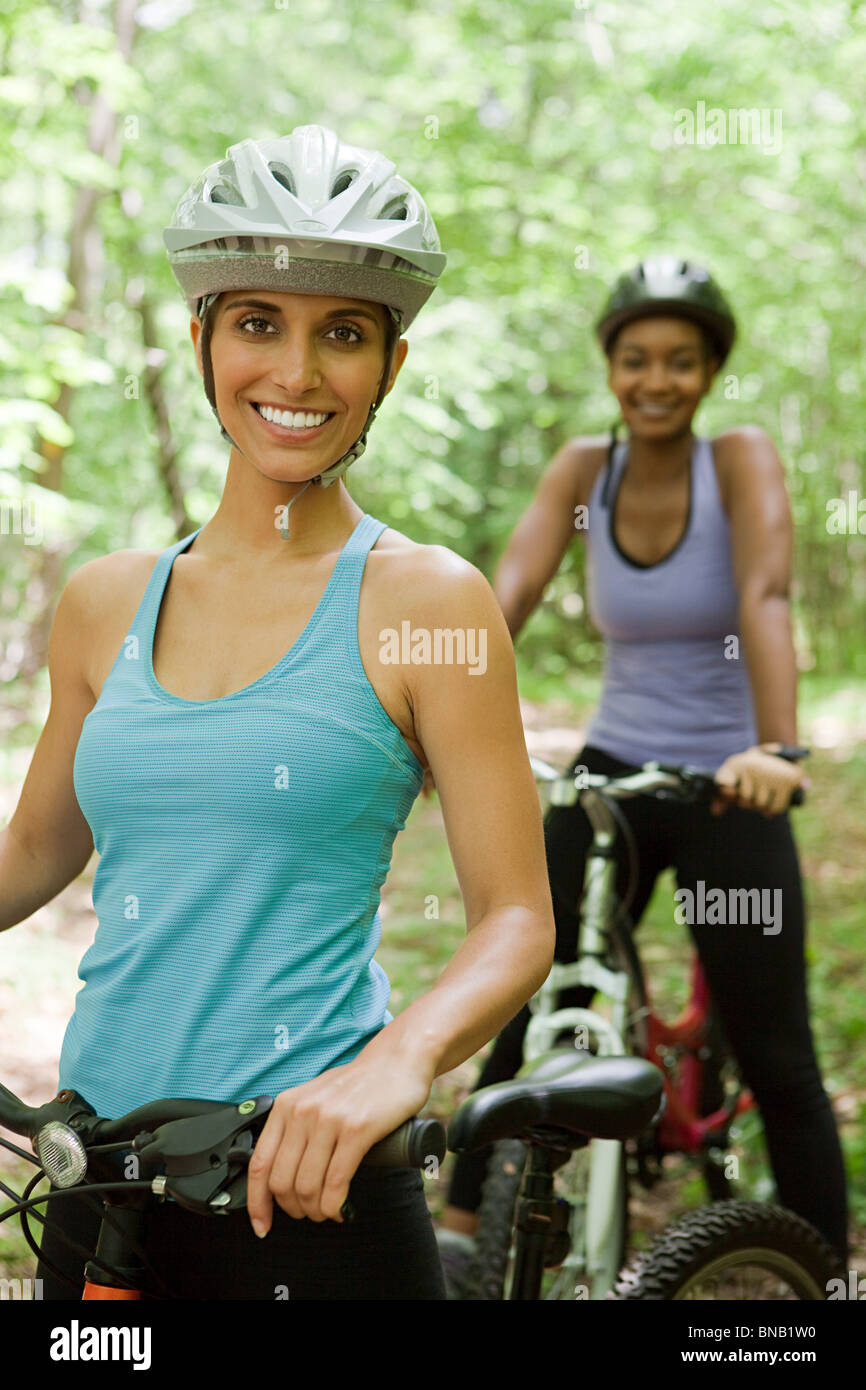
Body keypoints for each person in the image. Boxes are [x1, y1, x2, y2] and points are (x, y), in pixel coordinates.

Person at [1, 125, 556, 1300]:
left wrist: (394, 1065)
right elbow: (39, 847)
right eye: (258, 323)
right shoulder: (105, 601)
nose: (297, 374)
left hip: (309, 1181)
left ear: (389, 366)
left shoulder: (426, 601)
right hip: (95, 1177)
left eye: (341, 333)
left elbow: (514, 919)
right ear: (200, 339)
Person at [437, 256, 849, 1281]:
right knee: (519, 979)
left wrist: (776, 746)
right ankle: (452, 1230)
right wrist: (431, 698)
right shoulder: (584, 470)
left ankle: (824, 1265)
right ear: (609, 367)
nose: (654, 380)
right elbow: (509, 591)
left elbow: (763, 597)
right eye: (634, 360)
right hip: (611, 769)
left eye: (679, 361)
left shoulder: (738, 460)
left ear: (708, 373)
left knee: (774, 1049)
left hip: (725, 778)